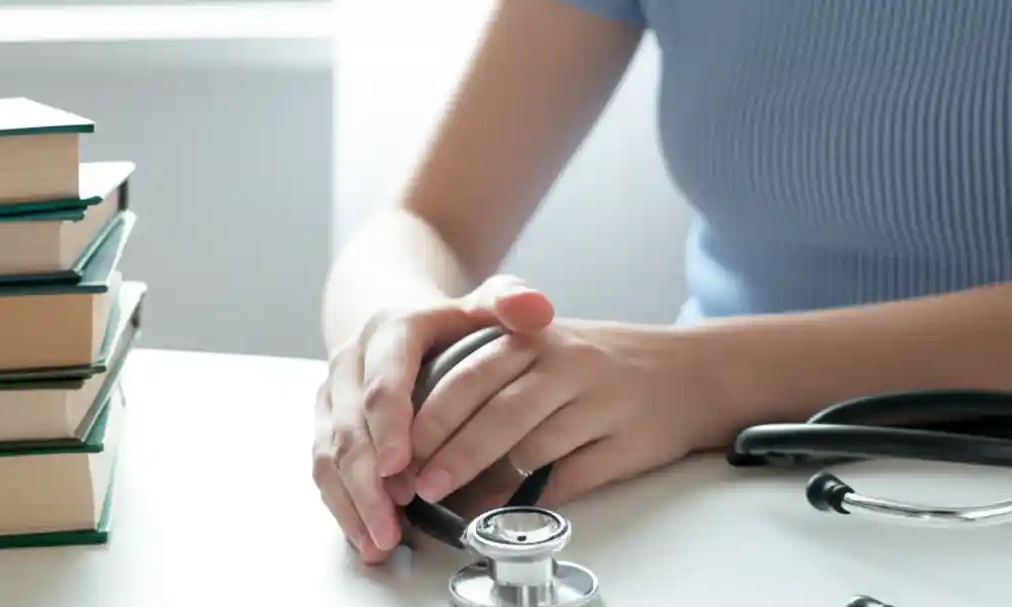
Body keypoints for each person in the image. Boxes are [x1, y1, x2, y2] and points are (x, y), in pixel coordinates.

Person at [311, 0, 1012, 564]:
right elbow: (426, 223)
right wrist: (405, 345)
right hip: (717, 491)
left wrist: (703, 381)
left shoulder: (690, 386)